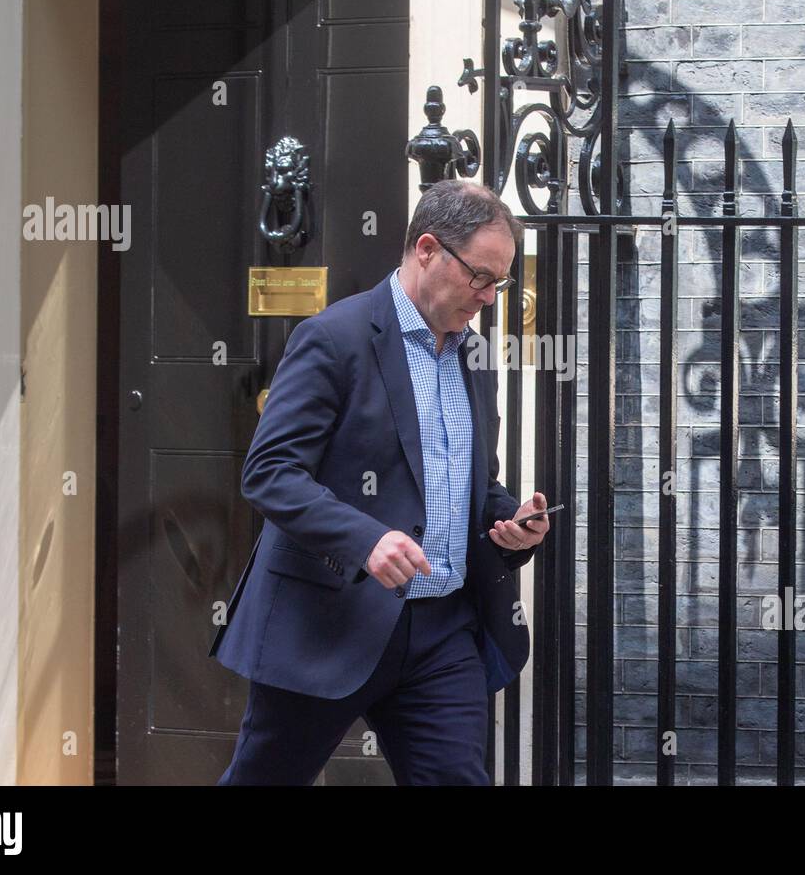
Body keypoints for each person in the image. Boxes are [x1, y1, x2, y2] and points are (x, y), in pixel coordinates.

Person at [209, 179, 550, 785]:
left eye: (499, 282)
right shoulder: (333, 339)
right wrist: (364, 538)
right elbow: (269, 472)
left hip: (444, 631)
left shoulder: (475, 361)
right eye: (480, 277)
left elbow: (472, 485)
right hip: (328, 621)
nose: (491, 296)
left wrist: (510, 522)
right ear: (426, 249)